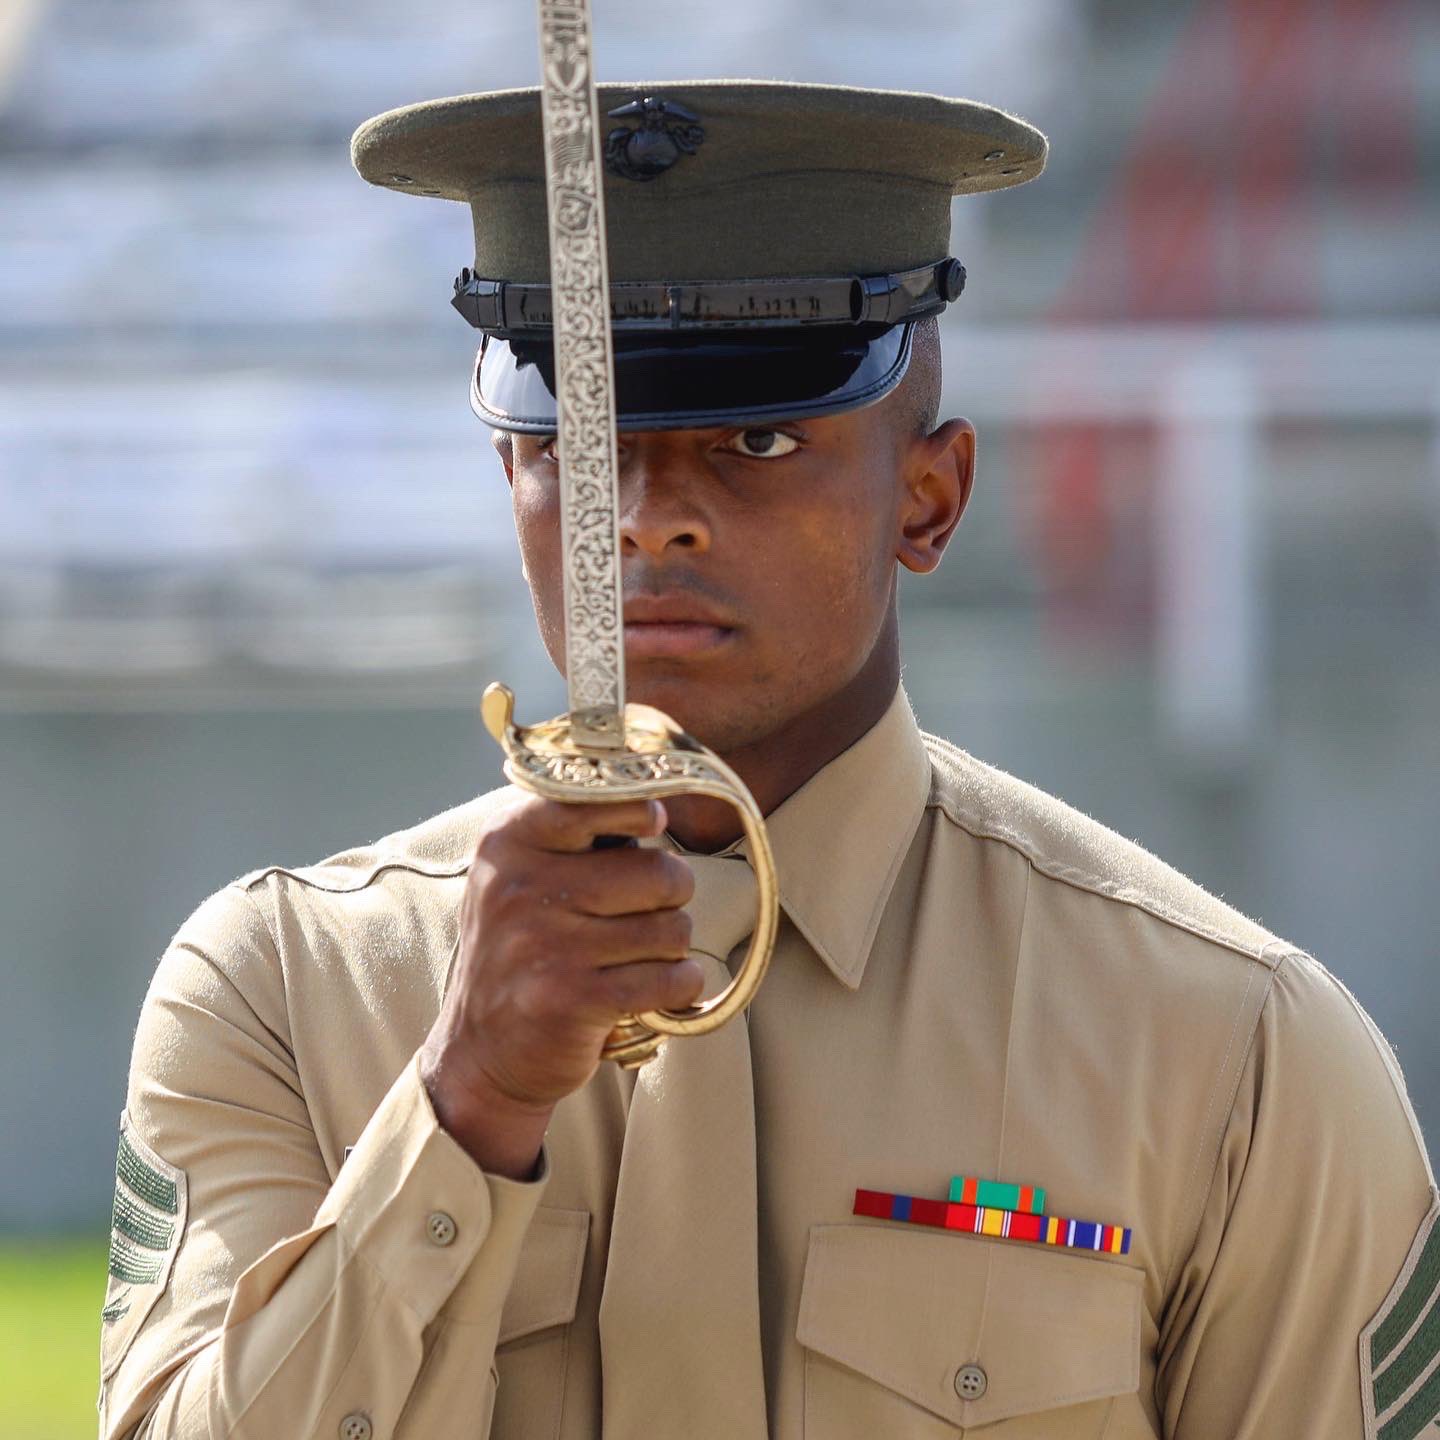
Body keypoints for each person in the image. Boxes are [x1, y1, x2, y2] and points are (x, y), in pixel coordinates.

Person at [98, 81, 1438, 1440]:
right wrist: (463, 1108)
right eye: (582, 438)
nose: (649, 516)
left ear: (931, 496)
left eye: (758, 440)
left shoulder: (1236, 1053)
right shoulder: (277, 994)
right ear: (512, 475)